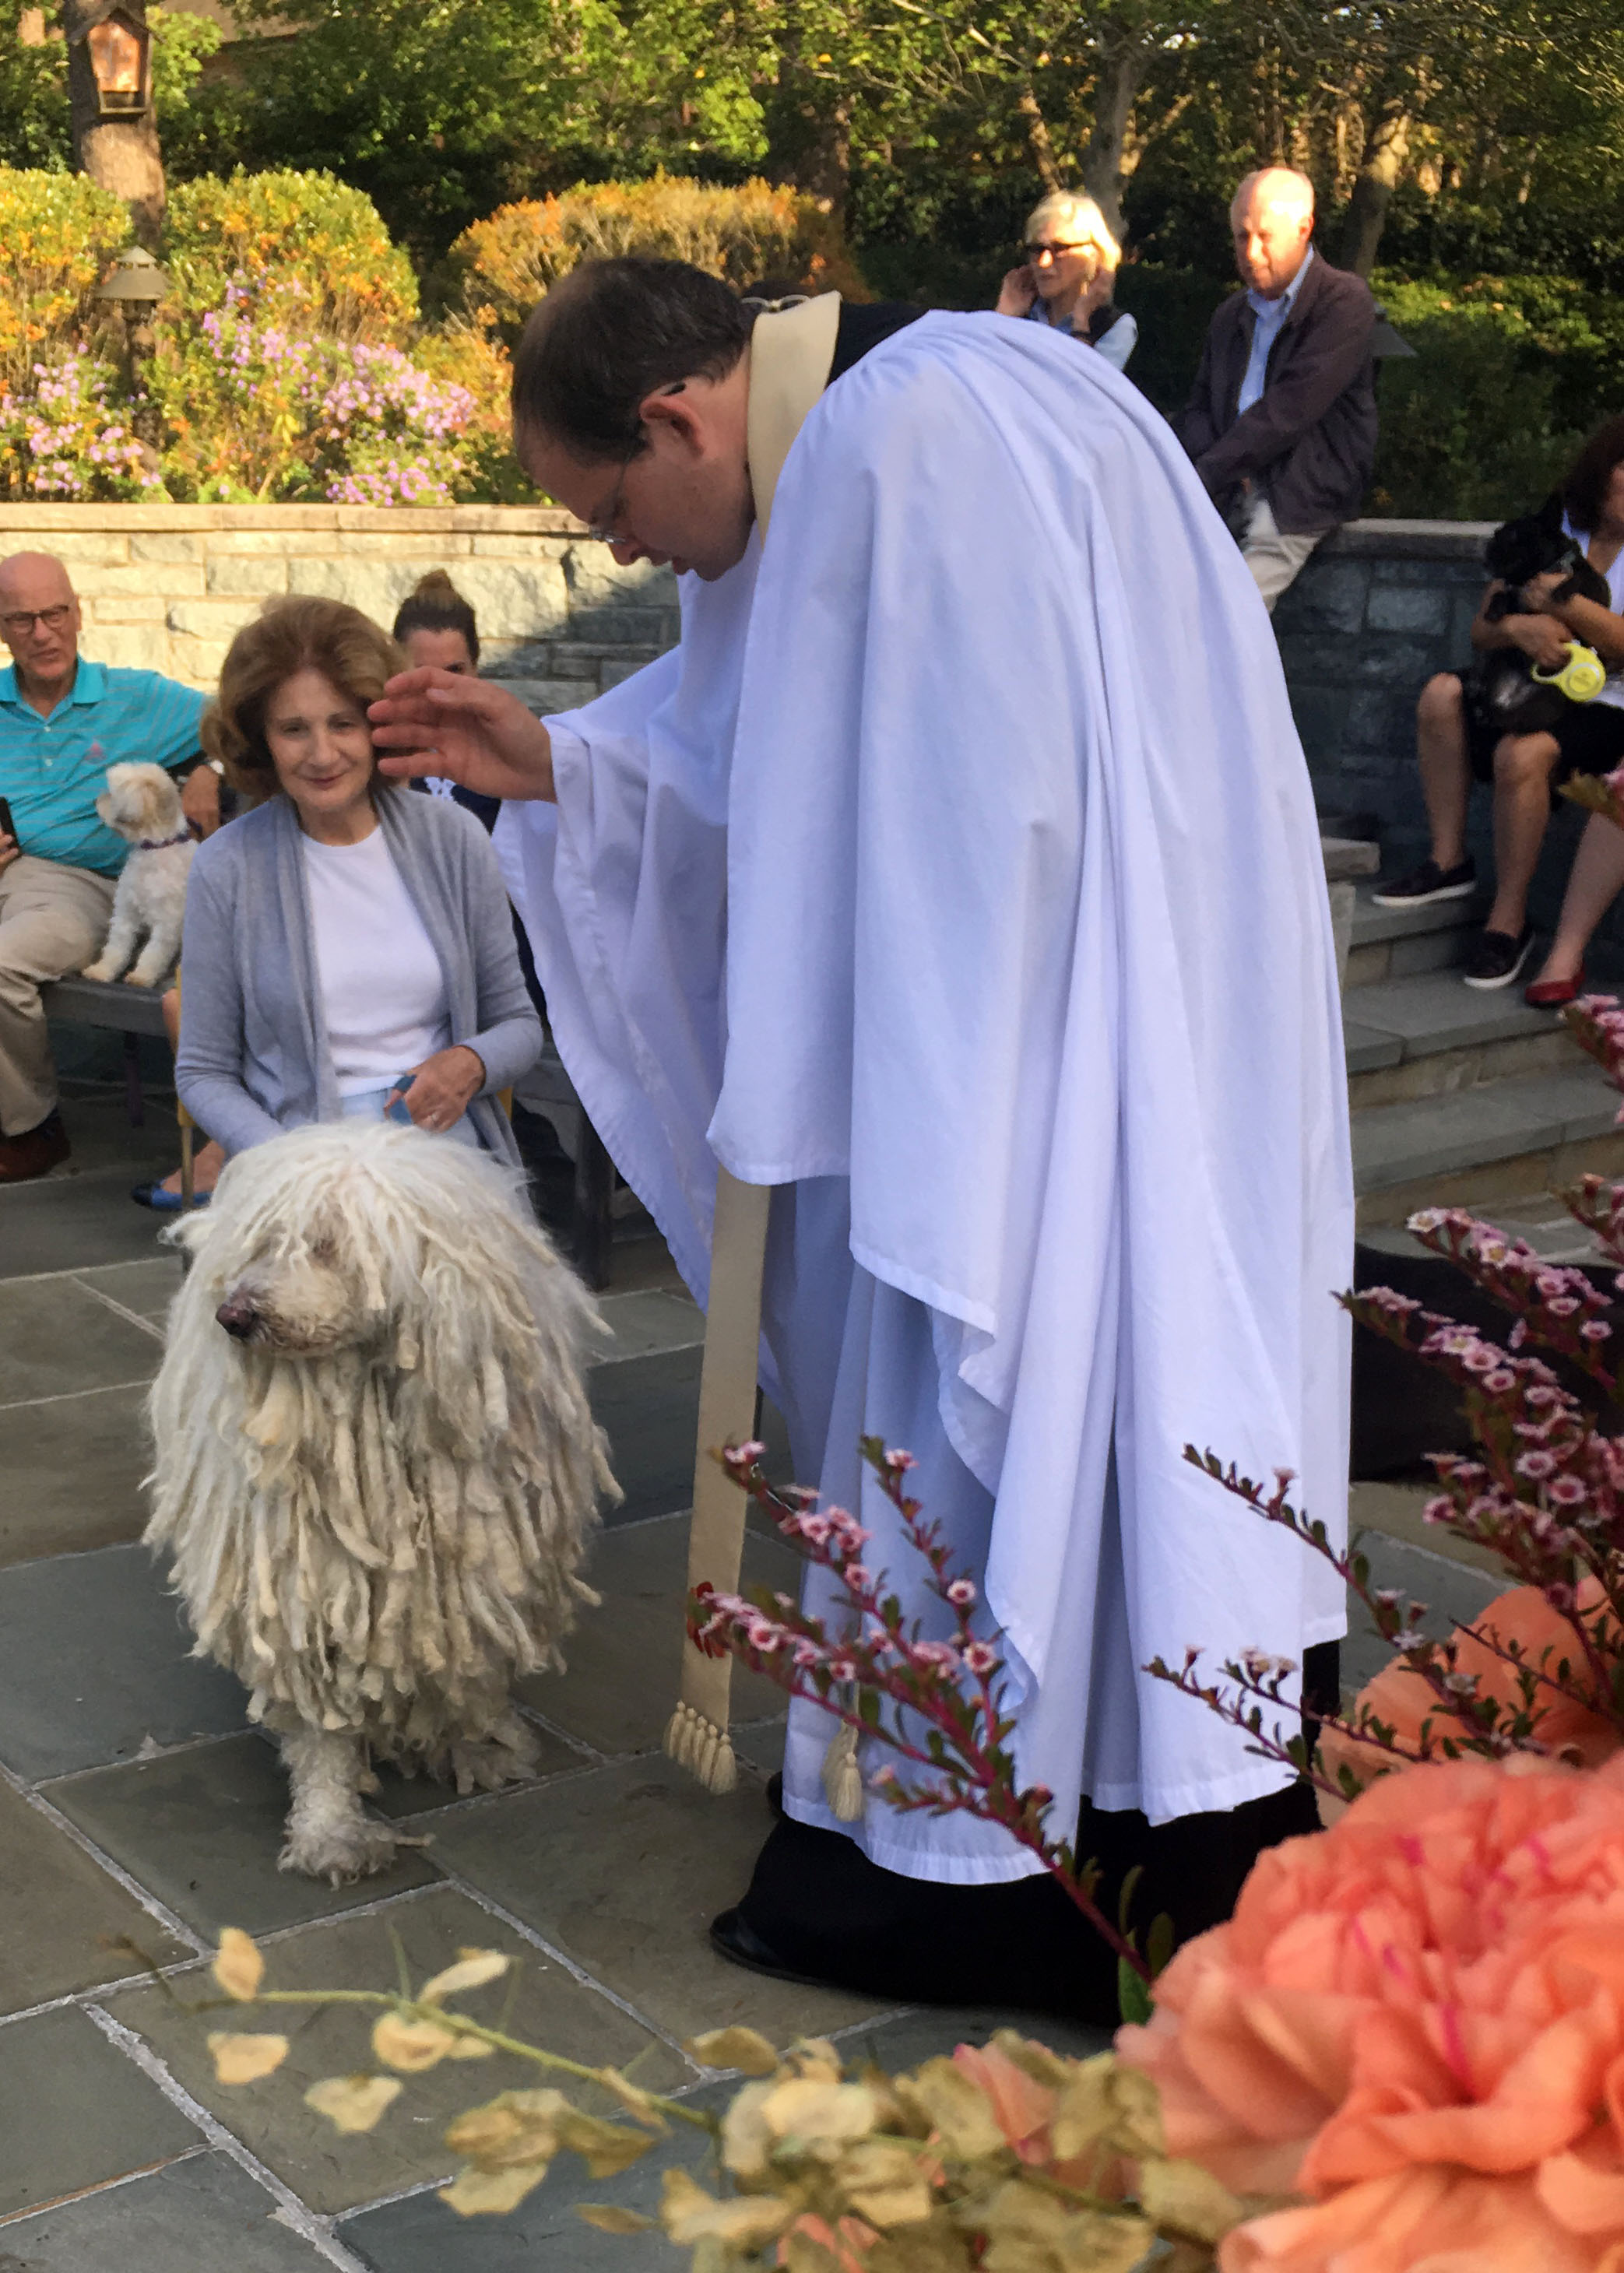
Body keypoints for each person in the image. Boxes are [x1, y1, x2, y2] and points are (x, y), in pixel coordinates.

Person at [367, 258, 1351, 2022]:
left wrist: (911, 1082)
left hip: (1019, 1056)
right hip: (1106, 1006)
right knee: (1085, 1413)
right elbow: (783, 760)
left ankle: (998, 1873)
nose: (629, 555)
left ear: (678, 416)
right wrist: (569, 768)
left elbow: (951, 806)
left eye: (609, 514)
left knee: (1002, 1411)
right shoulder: (892, 414)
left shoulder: (899, 436)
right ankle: (1095, 1808)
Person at [176, 596, 541, 1164]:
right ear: (261, 740)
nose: (322, 754)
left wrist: (467, 1063)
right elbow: (203, 1072)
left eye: (343, 724)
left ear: (378, 724)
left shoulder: (454, 838)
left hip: (442, 1157)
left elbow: (518, 1025)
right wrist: (287, 1167)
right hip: (294, 1161)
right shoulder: (226, 866)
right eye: (294, 729)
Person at [1373, 420, 1624, 993]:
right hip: (1529, 685)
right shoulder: (1553, 528)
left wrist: (1560, 603)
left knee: (1522, 754)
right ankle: (1448, 861)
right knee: (1441, 694)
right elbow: (1483, 631)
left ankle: (1508, 922)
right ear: (1602, 469)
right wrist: (1522, 625)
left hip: (1607, 704)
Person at [0, 550, 218, 1181]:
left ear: (78, 613)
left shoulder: (139, 698)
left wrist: (214, 768)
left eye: (55, 613)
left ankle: (30, 1129)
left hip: (77, 886)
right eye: (22, 620)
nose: (43, 633)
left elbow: (246, 717)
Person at [1176, 167, 1377, 610]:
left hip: (1297, 494)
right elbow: (1200, 408)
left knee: (1228, 616)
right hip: (1226, 483)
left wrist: (1209, 470)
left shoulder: (1343, 302)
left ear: (1304, 229)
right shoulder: (1230, 315)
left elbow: (1290, 411)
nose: (1250, 252)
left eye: (1265, 236)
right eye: (1240, 236)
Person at [994, 191, 1137, 374]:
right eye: (1037, 249)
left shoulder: (1113, 326)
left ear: (1093, 255)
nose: (1043, 262)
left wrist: (1081, 325)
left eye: (1059, 248)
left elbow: (1080, 391)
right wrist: (1001, 317)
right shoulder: (1019, 315)